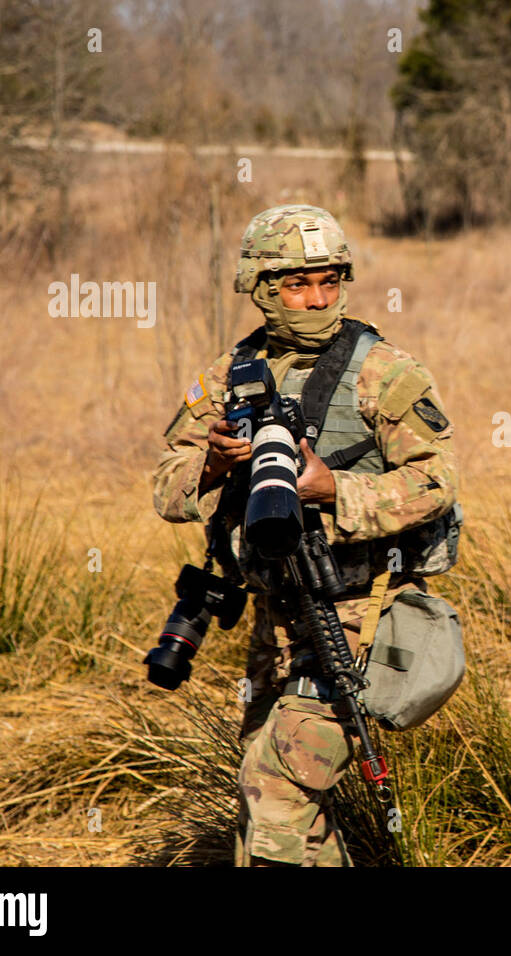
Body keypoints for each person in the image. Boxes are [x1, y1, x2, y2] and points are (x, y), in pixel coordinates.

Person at [151, 204, 459, 866]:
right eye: (297, 284)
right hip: (273, 619)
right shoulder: (230, 375)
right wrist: (213, 462)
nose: (317, 299)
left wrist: (335, 491)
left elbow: (437, 484)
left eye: (329, 281)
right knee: (265, 803)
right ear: (261, 289)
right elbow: (164, 489)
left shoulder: (384, 373)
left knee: (277, 789)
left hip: (360, 615)